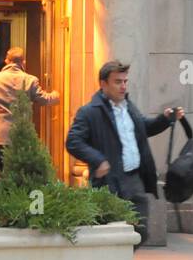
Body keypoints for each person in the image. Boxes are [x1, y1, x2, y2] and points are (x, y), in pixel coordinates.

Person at [65, 60, 183, 248]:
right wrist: (98, 160)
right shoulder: (89, 112)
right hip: (110, 182)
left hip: (134, 179)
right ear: (103, 84)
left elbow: (143, 127)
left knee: (140, 231)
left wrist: (165, 119)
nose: (123, 86)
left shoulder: (129, 107)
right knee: (112, 234)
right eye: (118, 82)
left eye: (125, 81)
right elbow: (73, 141)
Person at [0, 47, 59, 172]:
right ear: (23, 62)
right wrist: (56, 94)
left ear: (7, 61)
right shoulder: (30, 80)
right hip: (21, 136)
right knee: (20, 175)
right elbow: (44, 99)